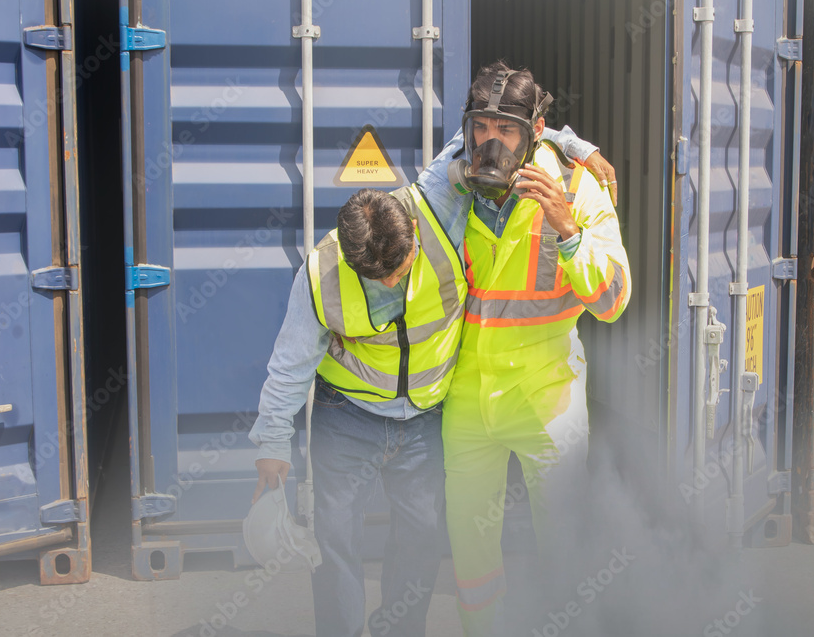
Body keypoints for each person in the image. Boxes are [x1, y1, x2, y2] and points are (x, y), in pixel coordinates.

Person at [249, 118, 613, 636]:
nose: (395, 284)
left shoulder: (437, 200)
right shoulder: (322, 272)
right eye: (382, 280)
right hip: (346, 416)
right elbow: (289, 364)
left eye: (402, 268)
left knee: (419, 544)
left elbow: (506, 125)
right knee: (334, 543)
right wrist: (272, 443)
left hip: (422, 421)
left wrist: (579, 145)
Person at [438, 62, 632, 635]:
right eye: (481, 127)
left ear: (536, 129)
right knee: (470, 560)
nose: (490, 142)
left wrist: (568, 230)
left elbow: (614, 300)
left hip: (549, 399)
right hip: (468, 402)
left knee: (566, 548)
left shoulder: (576, 187)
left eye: (508, 129)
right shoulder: (449, 187)